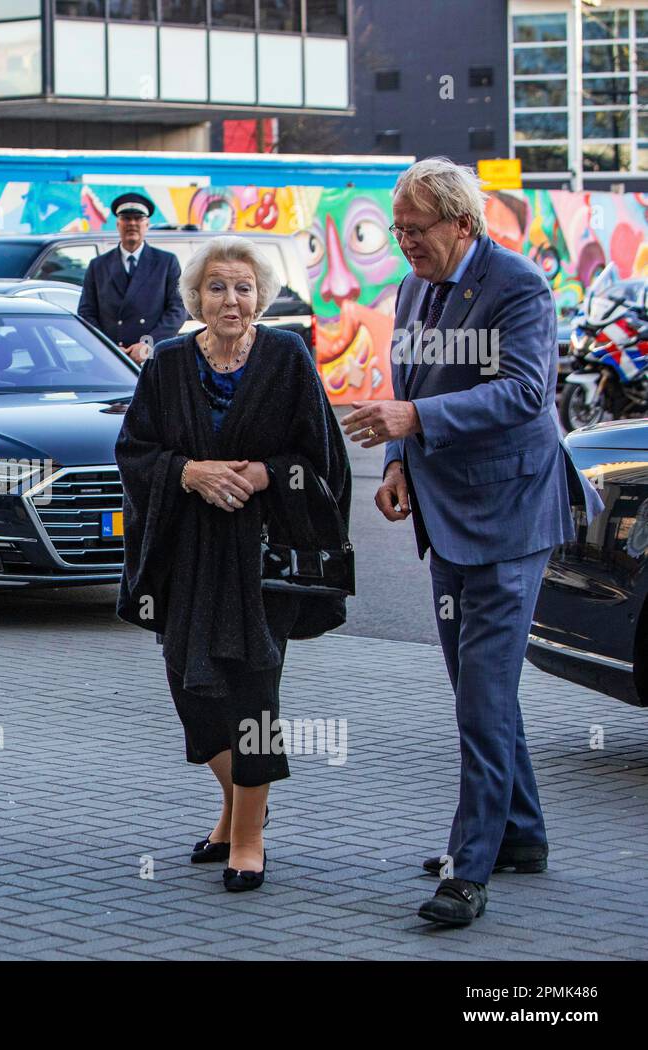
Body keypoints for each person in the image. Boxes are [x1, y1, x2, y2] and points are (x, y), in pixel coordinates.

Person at [342, 157, 603, 928]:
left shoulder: (519, 285)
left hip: (514, 512)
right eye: (397, 230)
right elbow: (409, 381)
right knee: (477, 689)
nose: (404, 243)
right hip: (446, 509)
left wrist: (413, 426)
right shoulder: (415, 286)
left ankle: (472, 866)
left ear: (463, 223)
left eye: (416, 229)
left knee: (484, 696)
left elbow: (526, 392)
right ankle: (521, 835)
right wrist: (396, 464)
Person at [116, 237, 351, 894]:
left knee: (253, 696)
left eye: (244, 287)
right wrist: (187, 472)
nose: (231, 299)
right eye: (217, 287)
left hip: (260, 560)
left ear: (260, 296)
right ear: (196, 297)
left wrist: (266, 474)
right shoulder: (166, 365)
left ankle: (248, 837)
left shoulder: (287, 358)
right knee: (190, 691)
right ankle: (239, 802)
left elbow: (324, 461)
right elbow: (133, 450)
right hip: (186, 555)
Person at [78, 192, 186, 364]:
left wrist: (149, 344)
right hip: (110, 357)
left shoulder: (166, 262)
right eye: (126, 218)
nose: (132, 224)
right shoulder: (98, 265)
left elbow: (178, 309)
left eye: (138, 218)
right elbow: (86, 313)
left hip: (152, 356)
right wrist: (107, 346)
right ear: (118, 224)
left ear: (147, 224)